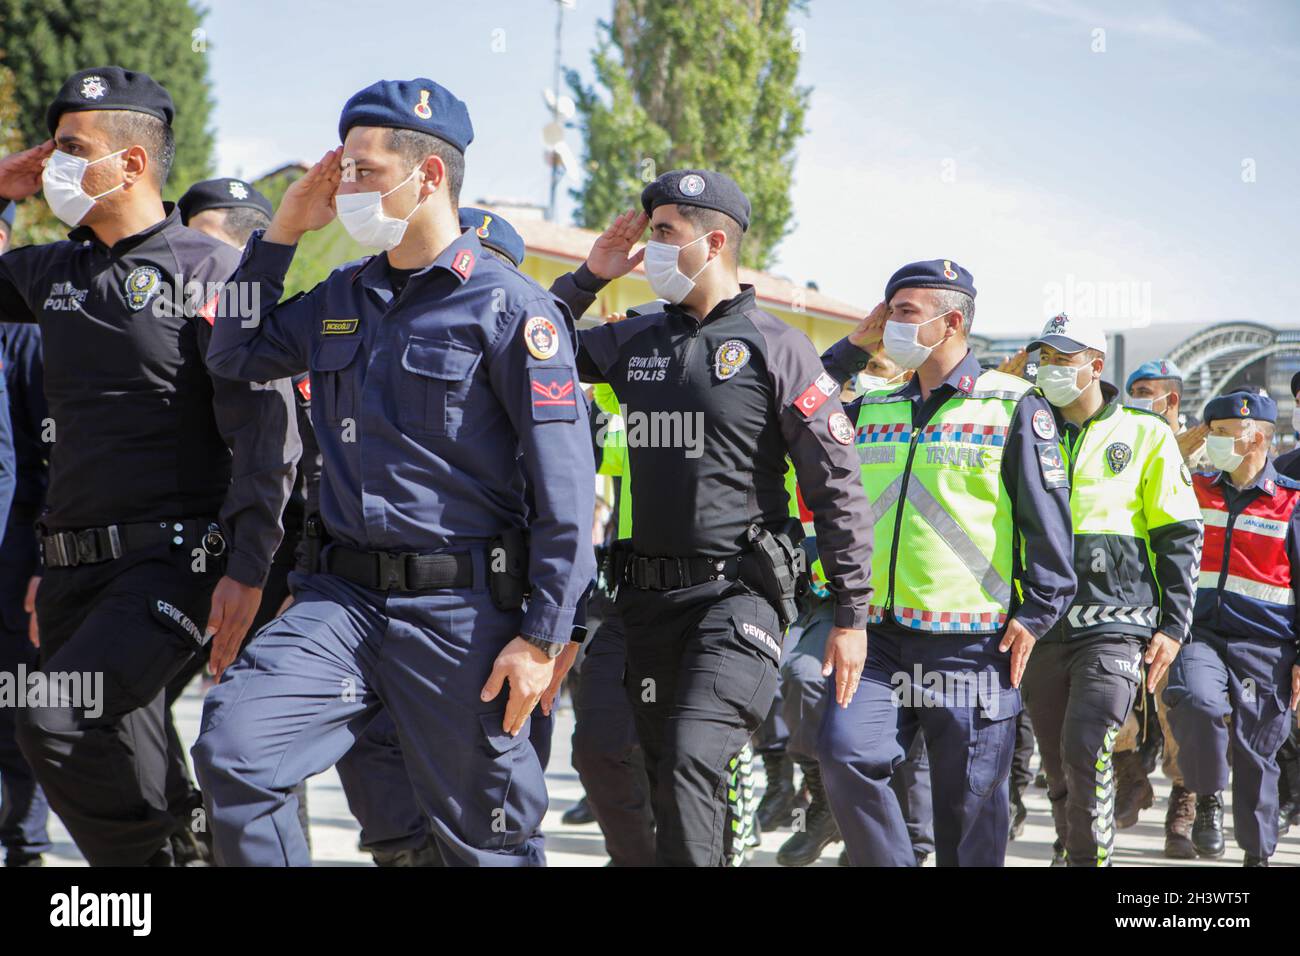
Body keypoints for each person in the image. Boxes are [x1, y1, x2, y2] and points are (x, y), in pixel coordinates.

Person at [191, 77, 595, 866]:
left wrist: (542, 638)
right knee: (235, 748)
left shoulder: (512, 311)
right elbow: (234, 351)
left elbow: (567, 495)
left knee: (485, 841)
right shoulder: (345, 293)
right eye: (342, 170)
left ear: (429, 176)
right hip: (340, 603)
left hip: (462, 615)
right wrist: (279, 235)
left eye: (364, 172)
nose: (345, 188)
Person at [0, 66, 297, 866]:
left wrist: (249, 567)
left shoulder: (212, 271)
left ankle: (160, 861)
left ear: (130, 164)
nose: (53, 164)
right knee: (120, 752)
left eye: (71, 150)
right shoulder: (53, 270)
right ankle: (177, 848)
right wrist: (2, 187)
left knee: (53, 715)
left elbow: (270, 433)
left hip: (170, 561)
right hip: (66, 575)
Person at [561, 171, 874, 866]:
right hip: (642, 600)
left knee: (688, 755)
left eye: (665, 234)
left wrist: (852, 615)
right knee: (619, 757)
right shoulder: (634, 339)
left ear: (715, 241)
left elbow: (836, 486)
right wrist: (587, 277)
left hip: (737, 599)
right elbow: (529, 342)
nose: (651, 252)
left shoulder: (780, 346)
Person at [816, 261, 1077, 866]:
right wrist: (855, 346)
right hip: (876, 637)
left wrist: (1036, 615)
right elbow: (798, 403)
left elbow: (1050, 528)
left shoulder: (1015, 408)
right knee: (843, 751)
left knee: (968, 818)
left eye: (903, 314)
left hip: (970, 645)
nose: (890, 326)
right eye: (886, 313)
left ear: (951, 320)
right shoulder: (873, 403)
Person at [1019, 314, 1201, 867]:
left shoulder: (1145, 433)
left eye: (1063, 358)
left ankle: (1085, 860)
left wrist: (1172, 627)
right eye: (1043, 358)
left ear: (1095, 365)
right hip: (1041, 622)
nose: (1049, 369)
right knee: (1055, 764)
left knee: (1086, 748)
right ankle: (1071, 845)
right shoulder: (1024, 430)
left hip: (1116, 625)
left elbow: (1178, 534)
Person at [1165, 390, 1300, 866]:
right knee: (1197, 703)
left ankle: (1257, 856)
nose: (1216, 444)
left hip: (1266, 647)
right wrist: (1187, 438)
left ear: (1258, 438)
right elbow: (1151, 464)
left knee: (1255, 758)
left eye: (1226, 435)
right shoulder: (1193, 488)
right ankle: (1206, 797)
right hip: (1201, 636)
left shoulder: (1290, 503)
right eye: (1213, 433)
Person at [0, 202, 39, 867]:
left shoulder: (25, 333)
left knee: (21, 715)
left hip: (13, 566)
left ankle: (27, 846)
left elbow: (52, 457)